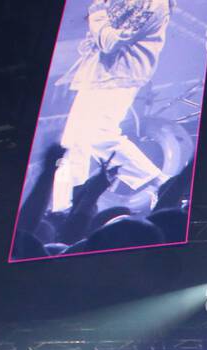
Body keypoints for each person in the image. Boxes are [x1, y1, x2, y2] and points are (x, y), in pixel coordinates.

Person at [50, 0, 175, 214]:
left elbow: (109, 42)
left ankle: (160, 182)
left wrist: (98, 11)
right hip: (97, 75)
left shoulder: (153, 2)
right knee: (72, 145)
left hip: (119, 77)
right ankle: (64, 208)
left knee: (99, 135)